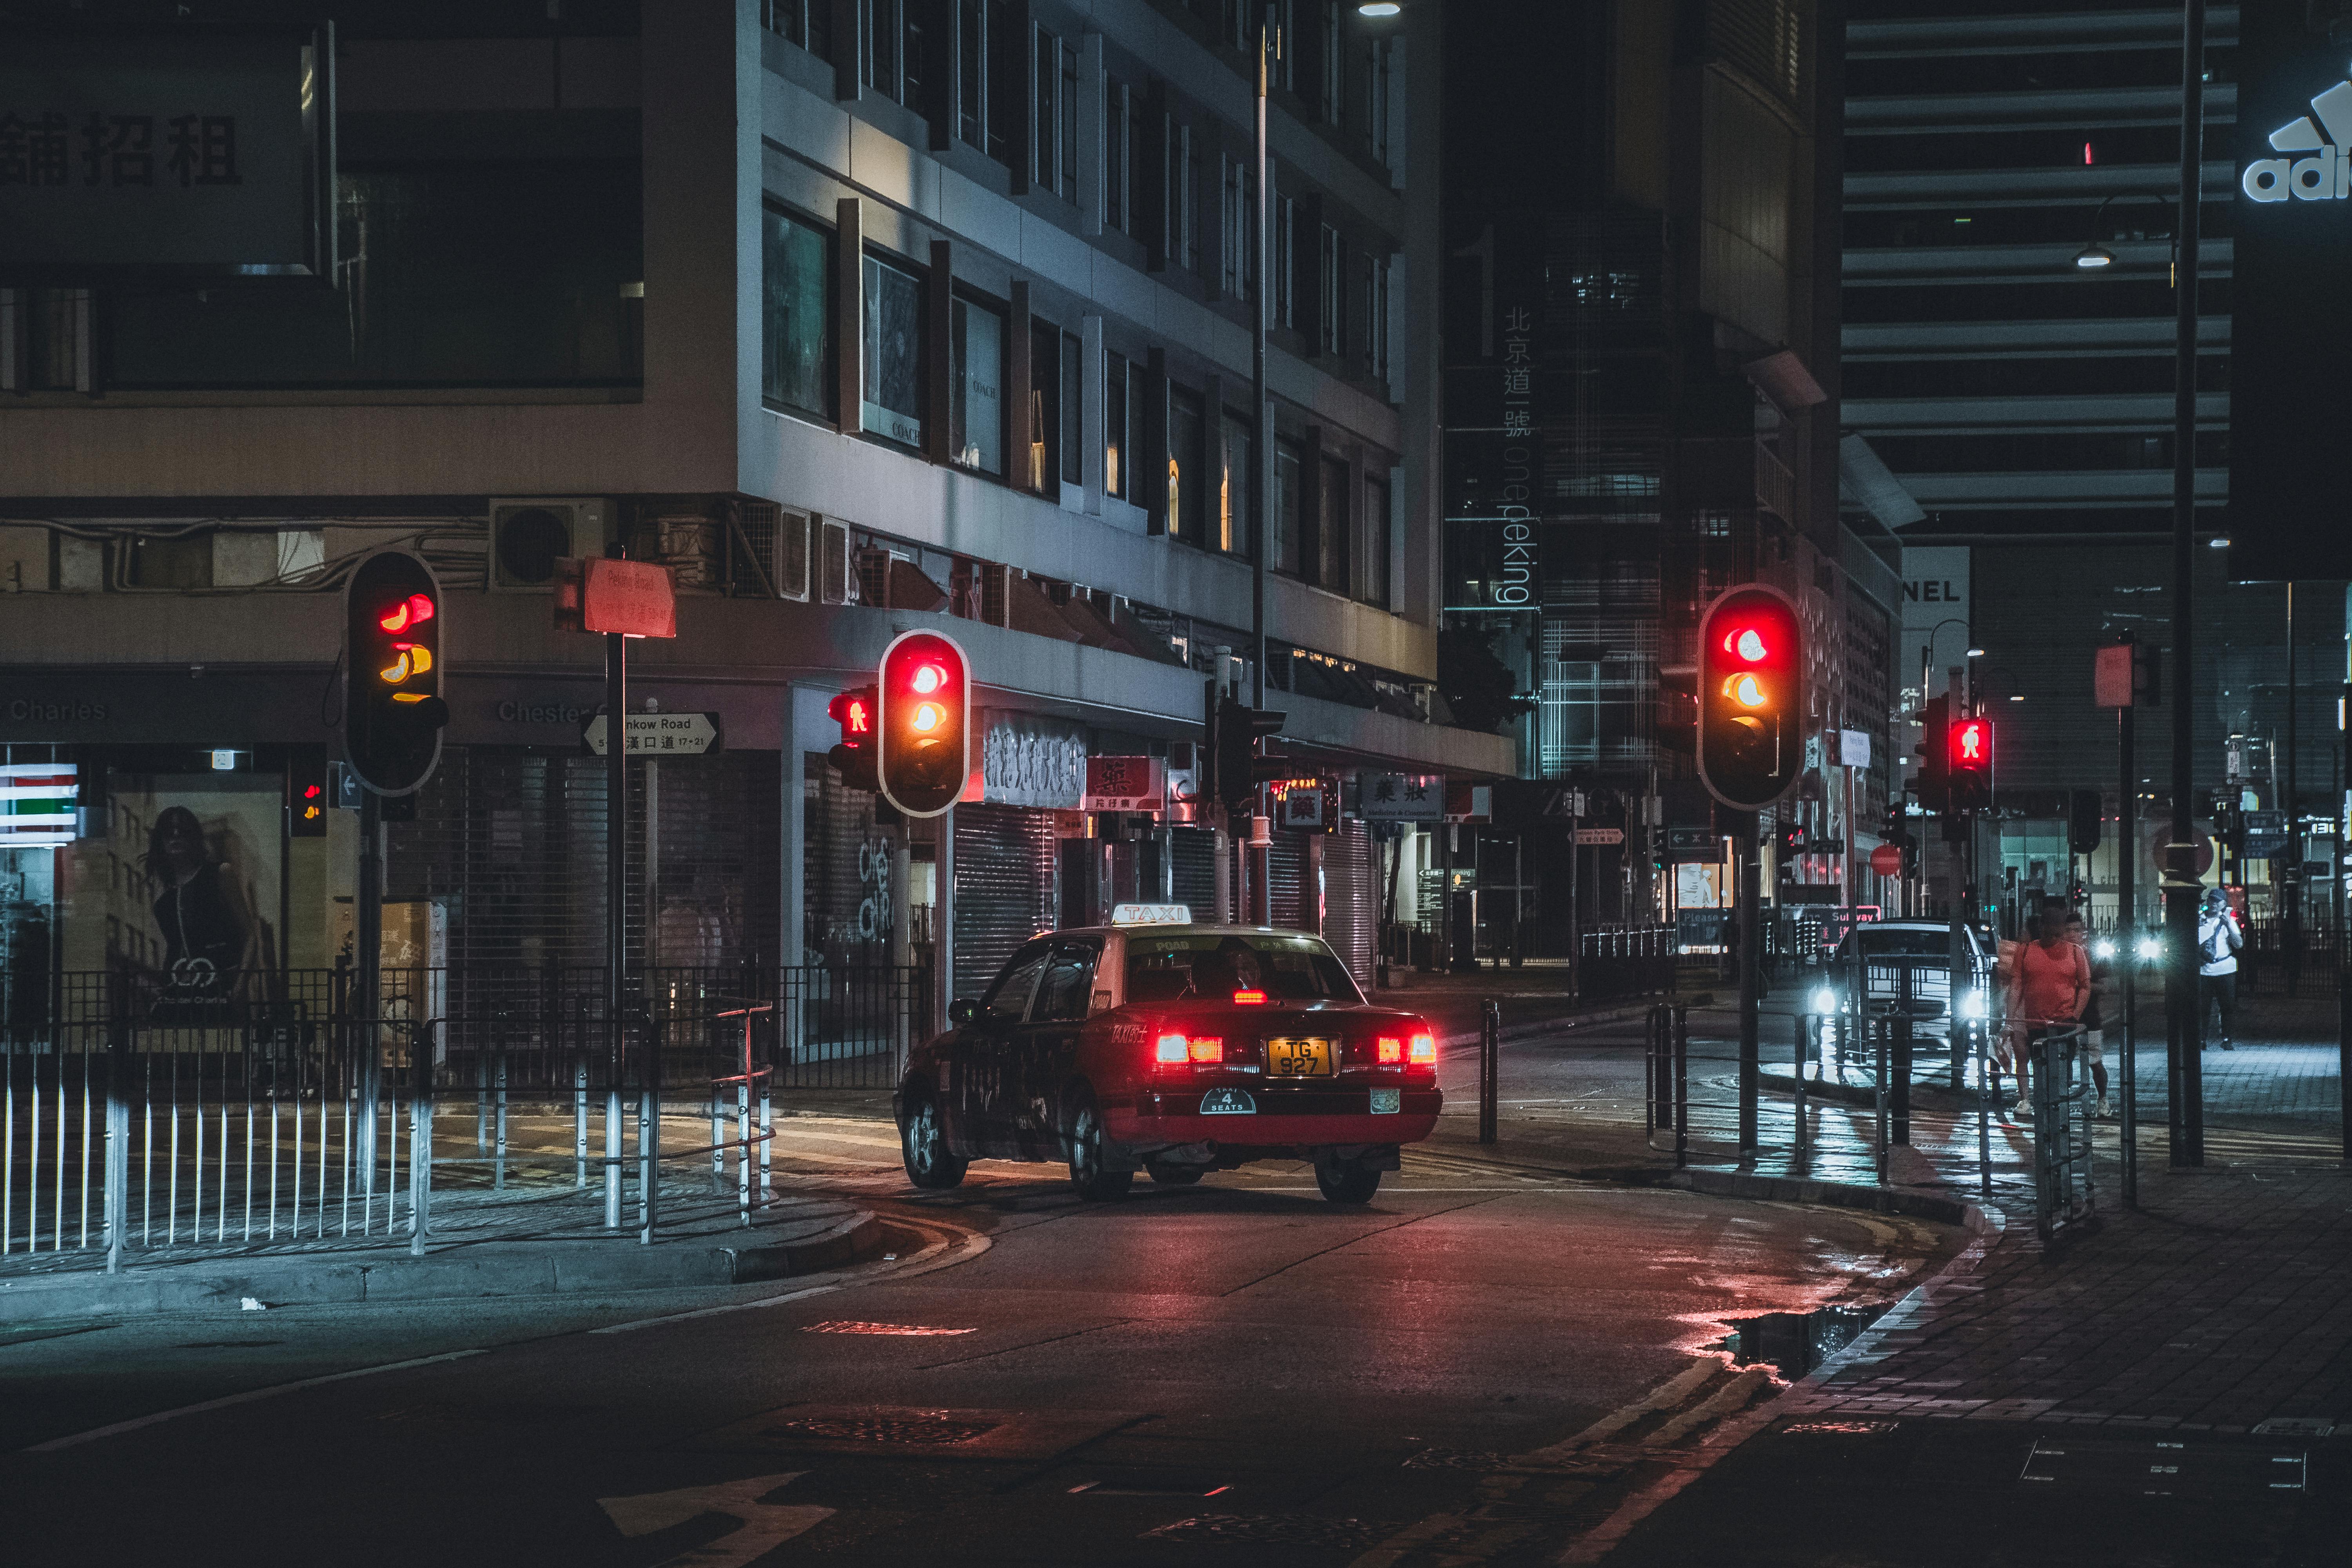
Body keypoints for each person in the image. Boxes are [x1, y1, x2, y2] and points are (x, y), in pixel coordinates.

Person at [142, 805, 261, 1013]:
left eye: (183, 831)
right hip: (179, 992)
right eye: (169, 832)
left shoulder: (220, 875)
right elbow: (175, 945)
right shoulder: (164, 894)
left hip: (221, 987)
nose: (176, 836)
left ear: (194, 838)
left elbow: (250, 934)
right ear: (160, 841)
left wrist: (240, 986)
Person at [2003, 895, 2089, 1118]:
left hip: (2064, 1024)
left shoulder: (2074, 952)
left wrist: (2075, 1015)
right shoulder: (2026, 951)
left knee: (2061, 1074)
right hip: (2035, 1024)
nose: (2056, 931)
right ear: (2042, 925)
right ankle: (2045, 1118)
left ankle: (2057, 1118)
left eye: (2059, 925)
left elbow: (2085, 986)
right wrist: (2010, 1021)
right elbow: (2016, 988)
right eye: (2051, 925)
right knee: (2040, 1071)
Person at [2064, 913, 2114, 1118]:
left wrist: (2082, 986)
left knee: (2095, 1061)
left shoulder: (2093, 956)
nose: (2072, 935)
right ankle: (2062, 1102)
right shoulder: (2060, 954)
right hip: (2064, 1016)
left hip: (2090, 1016)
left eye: (2077, 931)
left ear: (2084, 933)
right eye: (2068, 931)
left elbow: (2106, 987)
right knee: (2063, 1059)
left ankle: (2103, 1099)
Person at [2196, 889, 2242, 1050]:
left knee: (2228, 1007)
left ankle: (2227, 1039)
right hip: (2204, 971)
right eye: (2212, 900)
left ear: (2224, 904)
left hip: (2225, 970)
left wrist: (2228, 924)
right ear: (2208, 902)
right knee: (2202, 1008)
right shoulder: (2198, 921)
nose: (2214, 904)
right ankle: (2201, 1040)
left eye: (2218, 901)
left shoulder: (2228, 922)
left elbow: (2238, 944)